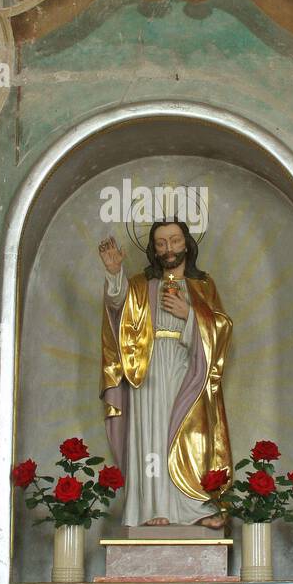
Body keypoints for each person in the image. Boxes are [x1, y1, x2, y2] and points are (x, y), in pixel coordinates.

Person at [99, 220, 232, 527]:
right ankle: (152, 508)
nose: (168, 248)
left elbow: (223, 327)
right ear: (153, 249)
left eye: (174, 241)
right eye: (161, 243)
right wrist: (113, 273)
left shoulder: (203, 285)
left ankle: (193, 508)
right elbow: (117, 309)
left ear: (186, 244)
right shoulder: (140, 284)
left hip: (190, 367)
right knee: (152, 435)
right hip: (147, 366)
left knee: (190, 433)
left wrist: (190, 315)